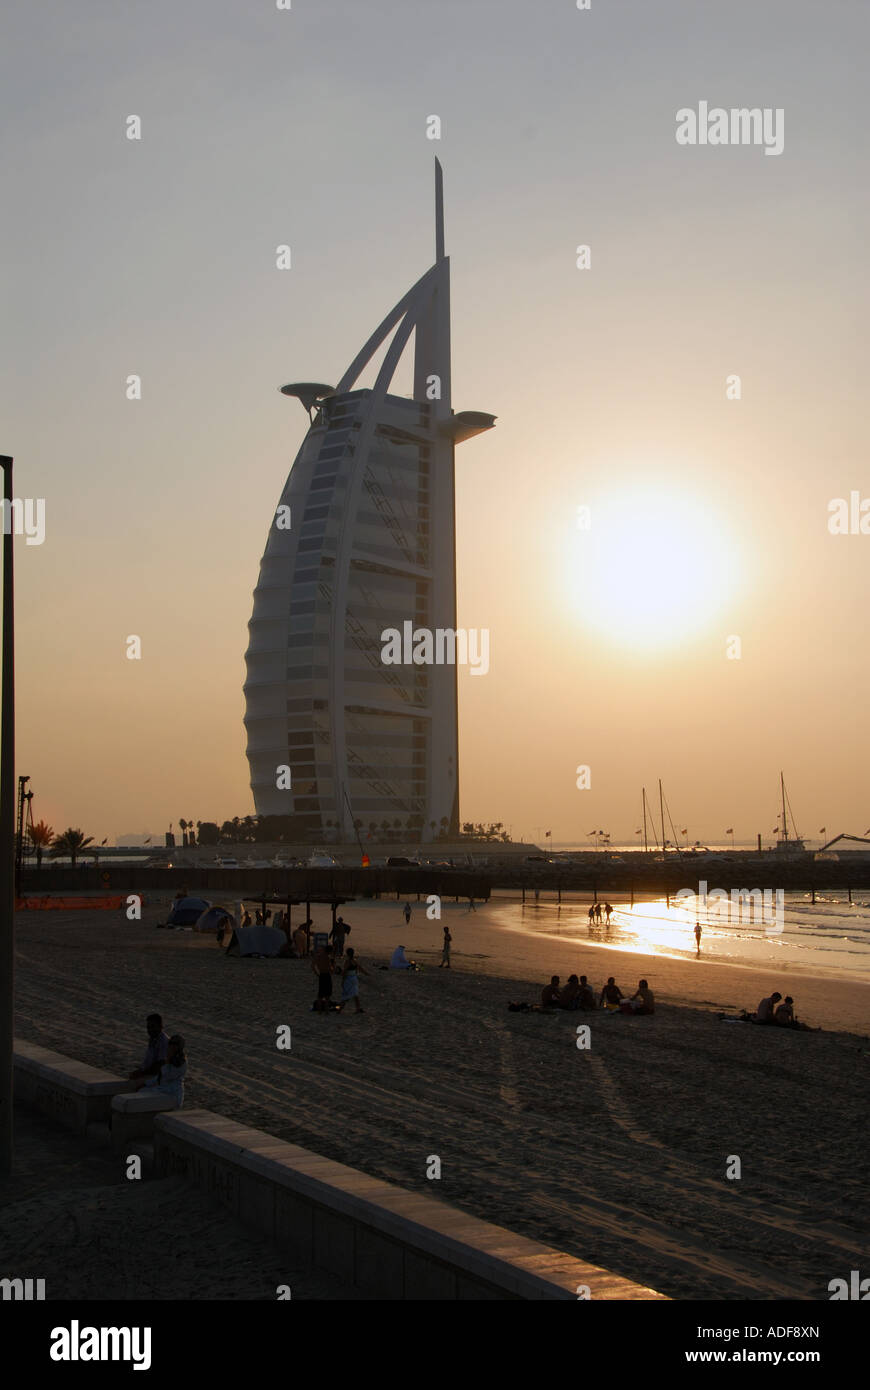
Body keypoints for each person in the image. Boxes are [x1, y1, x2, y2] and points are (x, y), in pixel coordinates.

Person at [129, 1013, 169, 1085]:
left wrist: (142, 1073)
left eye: (153, 1026)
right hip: (149, 1074)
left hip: (157, 1078)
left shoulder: (164, 1042)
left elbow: (160, 1066)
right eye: (148, 1027)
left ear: (160, 1026)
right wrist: (140, 1071)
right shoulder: (153, 1039)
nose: (150, 1030)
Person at [149, 1035, 187, 1107]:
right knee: (142, 1089)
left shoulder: (180, 1062)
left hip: (172, 1093)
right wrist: (146, 1083)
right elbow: (159, 1077)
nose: (172, 1046)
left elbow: (167, 1076)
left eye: (175, 1044)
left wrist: (167, 1061)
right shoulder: (171, 1058)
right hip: (165, 1089)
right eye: (170, 1043)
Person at [338, 947, 369, 1013]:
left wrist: (342, 981)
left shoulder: (347, 961)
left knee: (346, 994)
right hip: (354, 978)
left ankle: (340, 1010)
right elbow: (360, 968)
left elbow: (345, 972)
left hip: (349, 979)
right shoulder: (354, 960)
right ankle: (358, 1008)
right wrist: (366, 973)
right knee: (355, 994)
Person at [311, 943, 335, 1012]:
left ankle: (319, 1010)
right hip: (327, 975)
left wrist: (316, 973)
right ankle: (327, 1010)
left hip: (321, 975)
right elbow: (331, 970)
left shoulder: (318, 957)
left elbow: (312, 965)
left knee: (320, 994)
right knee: (327, 995)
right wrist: (334, 966)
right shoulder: (328, 958)